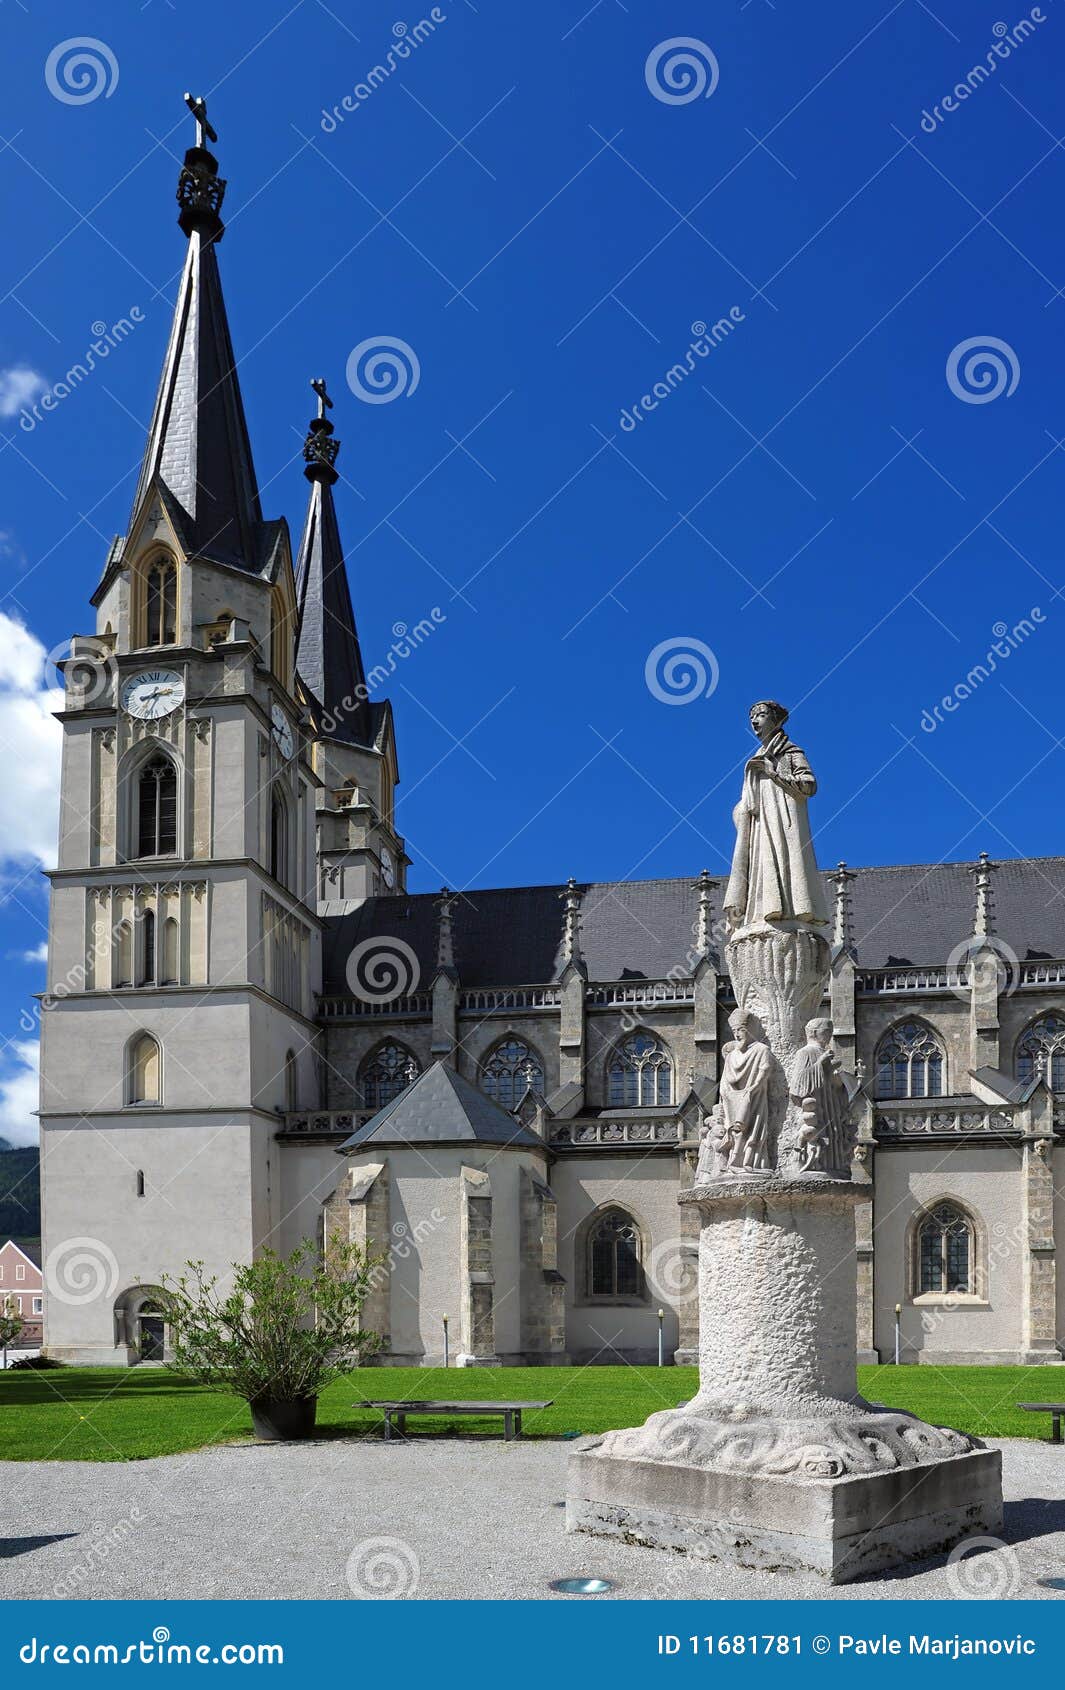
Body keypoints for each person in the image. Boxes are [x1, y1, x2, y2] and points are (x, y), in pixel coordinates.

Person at [724, 700, 829, 932]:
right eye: (752, 717)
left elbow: (809, 785)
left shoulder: (790, 752)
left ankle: (790, 910)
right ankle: (763, 909)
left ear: (776, 720)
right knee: (762, 869)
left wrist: (773, 773)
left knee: (787, 868)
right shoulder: (758, 756)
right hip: (762, 831)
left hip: (785, 829)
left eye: (760, 715)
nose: (754, 722)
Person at [718, 1009, 772, 1171]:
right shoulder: (731, 1056)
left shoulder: (761, 1049)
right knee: (735, 1131)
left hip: (754, 1098)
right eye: (734, 1031)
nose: (737, 1035)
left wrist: (752, 1090)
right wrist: (727, 1097)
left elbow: (765, 1070)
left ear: (750, 1030)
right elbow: (725, 1081)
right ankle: (734, 1163)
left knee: (753, 1131)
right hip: (733, 1101)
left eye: (740, 1030)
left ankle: (749, 1162)